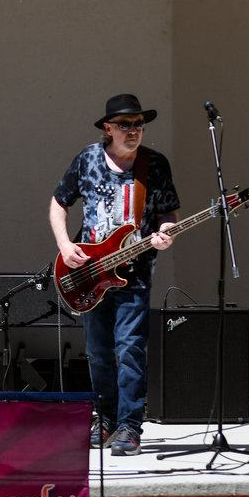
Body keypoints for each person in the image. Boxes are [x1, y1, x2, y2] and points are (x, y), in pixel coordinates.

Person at [49, 93, 180, 456]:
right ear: (109, 128)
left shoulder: (155, 165)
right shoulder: (88, 158)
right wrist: (64, 246)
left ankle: (129, 426)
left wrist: (166, 232)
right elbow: (59, 202)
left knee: (131, 349)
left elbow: (169, 213)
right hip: (90, 274)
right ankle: (104, 419)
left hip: (134, 275)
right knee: (98, 352)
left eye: (138, 124)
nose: (133, 131)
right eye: (125, 125)